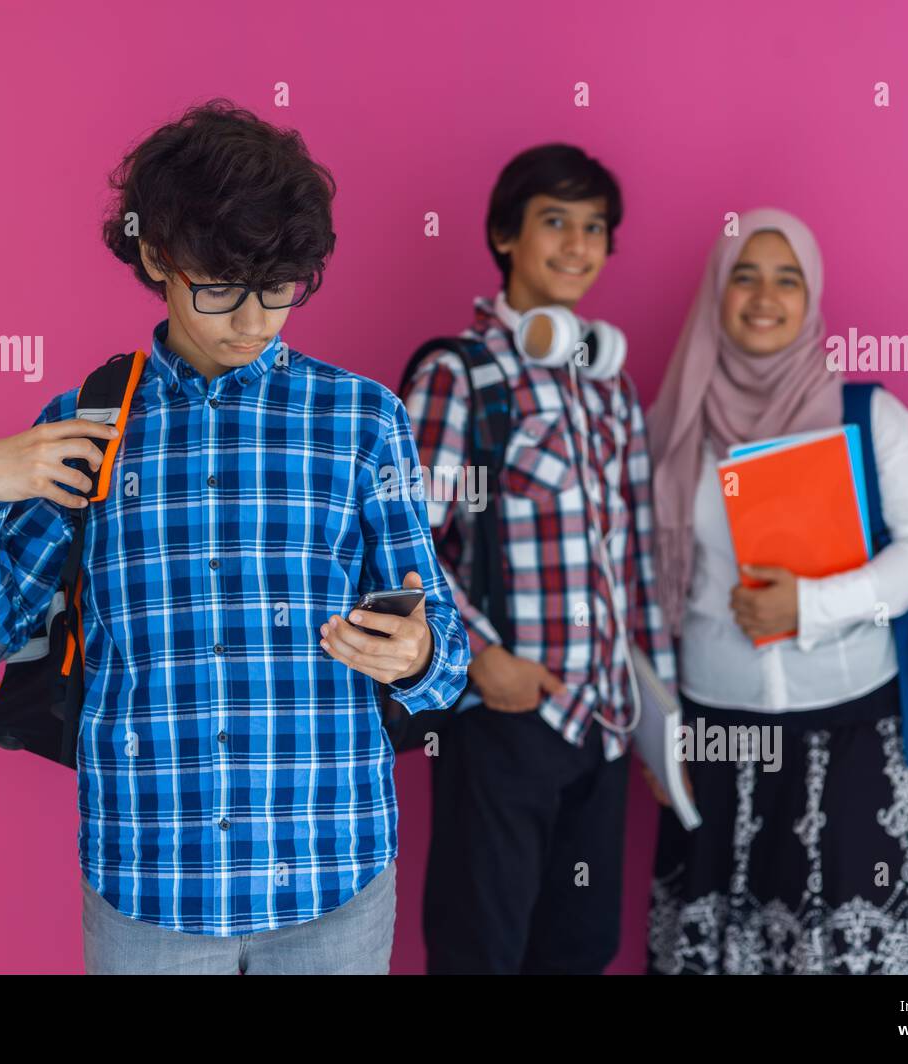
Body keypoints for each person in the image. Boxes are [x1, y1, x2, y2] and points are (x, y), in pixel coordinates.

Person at [0, 99, 469, 975]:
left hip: (333, 873)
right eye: (219, 287)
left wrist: (414, 653)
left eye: (280, 289)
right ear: (155, 256)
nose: (253, 321)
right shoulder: (90, 424)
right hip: (149, 882)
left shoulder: (366, 421)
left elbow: (445, 657)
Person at [644, 207, 908, 974]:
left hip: (851, 735)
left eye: (787, 279)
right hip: (716, 743)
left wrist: (809, 607)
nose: (764, 296)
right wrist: (655, 736)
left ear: (811, 296)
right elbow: (640, 593)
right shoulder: (671, 425)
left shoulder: (867, 417)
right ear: (717, 292)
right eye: (744, 275)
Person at [403, 144, 676, 974]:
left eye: (595, 227)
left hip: (601, 726)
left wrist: (659, 719)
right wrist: (484, 660)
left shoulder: (613, 390)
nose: (578, 245)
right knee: (481, 950)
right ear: (503, 235)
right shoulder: (462, 376)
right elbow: (406, 542)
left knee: (582, 949)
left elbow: (634, 562)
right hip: (505, 721)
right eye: (555, 221)